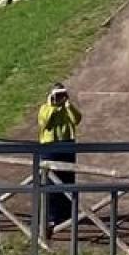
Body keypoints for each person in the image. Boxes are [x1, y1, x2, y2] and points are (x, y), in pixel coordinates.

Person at [37, 83, 82, 237]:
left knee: (67, 180)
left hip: (67, 145)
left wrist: (68, 105)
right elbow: (44, 122)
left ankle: (67, 215)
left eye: (62, 94)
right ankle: (50, 217)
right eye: (57, 95)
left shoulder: (67, 108)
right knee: (50, 182)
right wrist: (52, 105)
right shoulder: (45, 108)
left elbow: (77, 119)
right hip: (49, 147)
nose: (60, 98)